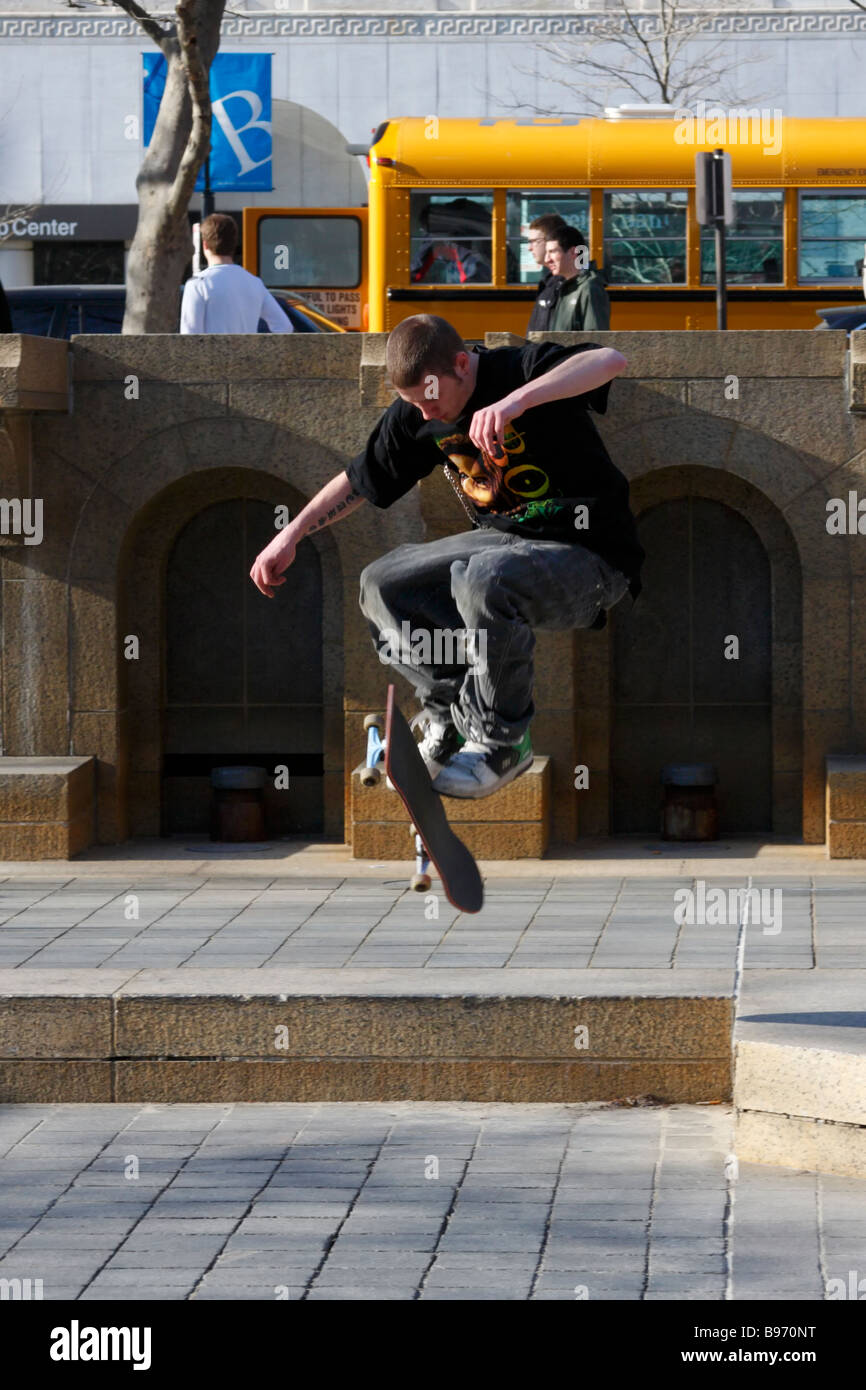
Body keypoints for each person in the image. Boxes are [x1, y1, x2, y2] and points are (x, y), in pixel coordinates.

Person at [250, 314, 644, 799]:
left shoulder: (517, 369)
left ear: (461, 364)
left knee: (484, 578)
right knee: (383, 582)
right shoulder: (417, 413)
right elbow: (359, 478)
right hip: (505, 545)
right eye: (414, 404)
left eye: (431, 399)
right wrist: (291, 534)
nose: (427, 415)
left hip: (590, 557)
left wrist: (517, 401)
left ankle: (503, 741)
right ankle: (449, 714)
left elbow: (610, 360)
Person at [180, 213, 292, 334]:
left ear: (205, 245)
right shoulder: (255, 283)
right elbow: (284, 326)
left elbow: (189, 335)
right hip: (248, 353)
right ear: (234, 244)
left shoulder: (197, 284)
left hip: (213, 352)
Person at [545, 227, 611, 332]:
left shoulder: (589, 288)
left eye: (552, 252)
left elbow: (595, 339)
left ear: (573, 252)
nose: (547, 259)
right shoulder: (564, 288)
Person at [526, 213, 568, 333]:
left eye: (534, 241)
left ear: (552, 241)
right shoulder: (548, 283)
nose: (529, 247)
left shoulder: (570, 284)